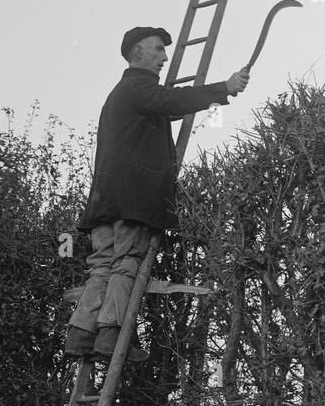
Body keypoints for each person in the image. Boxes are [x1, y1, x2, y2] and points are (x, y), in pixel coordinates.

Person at [66, 26, 250, 362]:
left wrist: (216, 95)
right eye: (157, 49)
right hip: (131, 198)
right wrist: (223, 87)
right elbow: (166, 100)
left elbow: (165, 107)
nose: (164, 57)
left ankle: (80, 334)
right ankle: (110, 335)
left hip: (105, 199)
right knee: (125, 264)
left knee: (102, 265)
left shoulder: (122, 93)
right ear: (138, 52)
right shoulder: (139, 85)